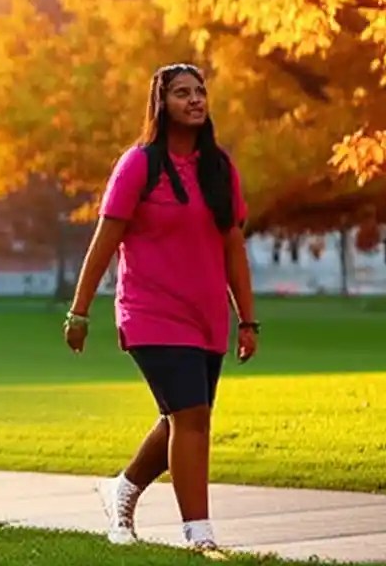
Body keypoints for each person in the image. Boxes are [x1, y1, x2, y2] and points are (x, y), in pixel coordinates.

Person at [65, 63, 258, 554]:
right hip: (150, 312)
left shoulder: (220, 168)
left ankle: (121, 489)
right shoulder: (138, 165)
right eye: (181, 93)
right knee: (191, 417)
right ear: (161, 102)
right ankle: (200, 534)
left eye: (200, 92)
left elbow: (233, 246)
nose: (194, 100)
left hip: (207, 313)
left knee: (183, 418)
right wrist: (79, 310)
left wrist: (248, 318)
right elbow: (105, 239)